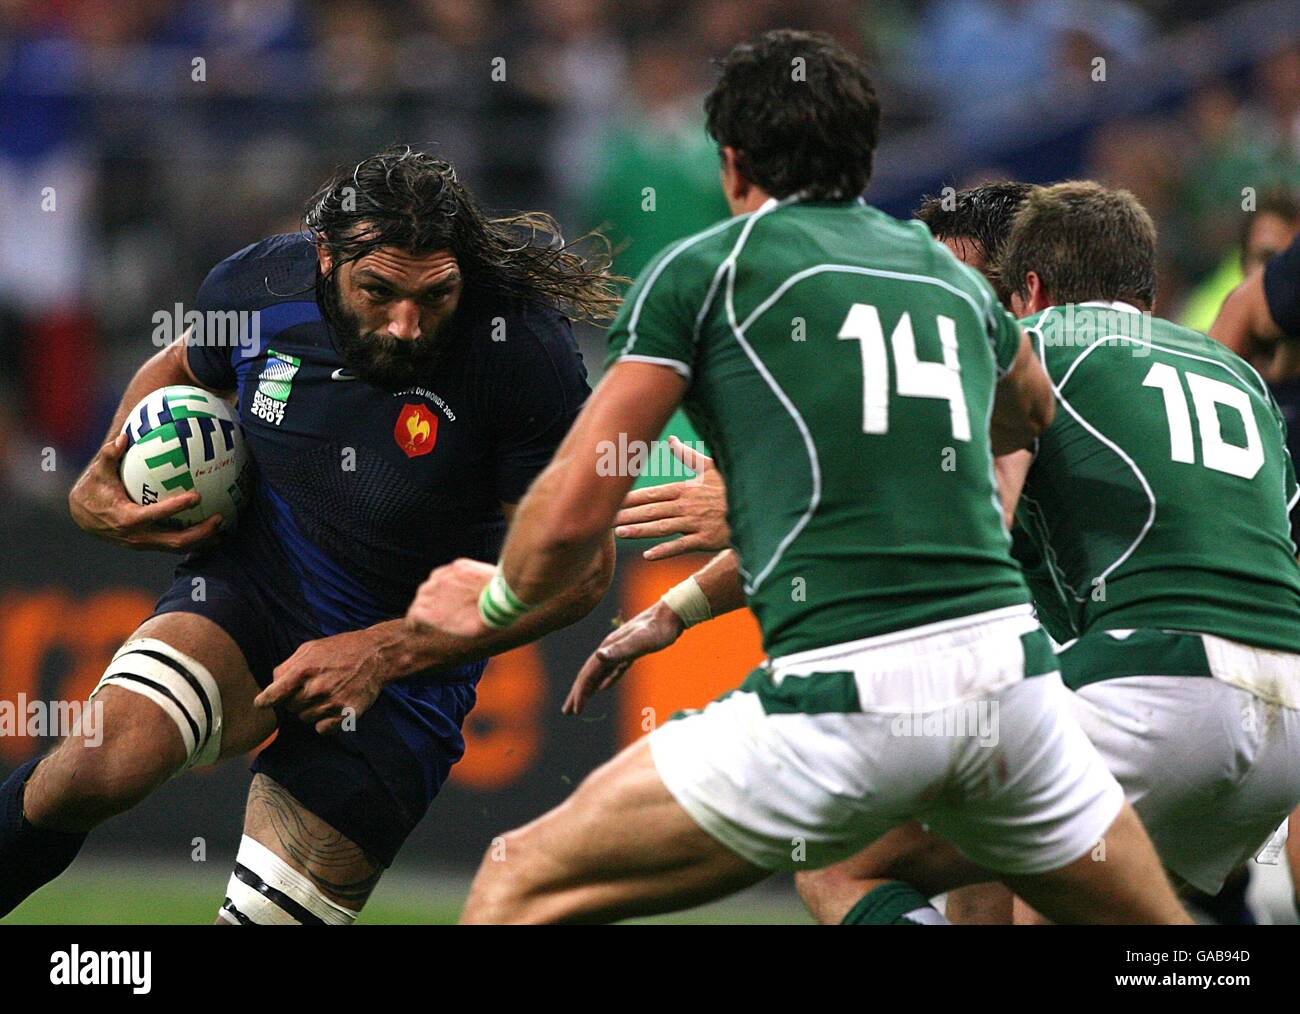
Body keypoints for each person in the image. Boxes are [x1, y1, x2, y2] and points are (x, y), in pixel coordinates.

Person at [407, 32, 1186, 925]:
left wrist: (497, 603)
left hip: (850, 695)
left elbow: (577, 502)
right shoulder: (955, 283)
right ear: (864, 159)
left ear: (733, 164)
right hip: (1014, 685)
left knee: (516, 881)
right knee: (1168, 945)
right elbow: (1031, 413)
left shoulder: (706, 275)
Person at [607, 181, 1300, 926]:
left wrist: (740, 520)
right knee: (999, 886)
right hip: (1285, 710)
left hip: (1150, 682)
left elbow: (883, 500)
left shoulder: (1030, 357)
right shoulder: (1236, 379)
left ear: (1025, 287)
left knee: (839, 860)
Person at [0, 146, 616, 925]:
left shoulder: (523, 353)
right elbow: (181, 364)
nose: (405, 324)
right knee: (88, 771)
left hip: (408, 671)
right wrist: (106, 468)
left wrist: (387, 650)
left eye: (435, 296)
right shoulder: (259, 286)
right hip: (255, 588)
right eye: (379, 292)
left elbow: (583, 572)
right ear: (325, 258)